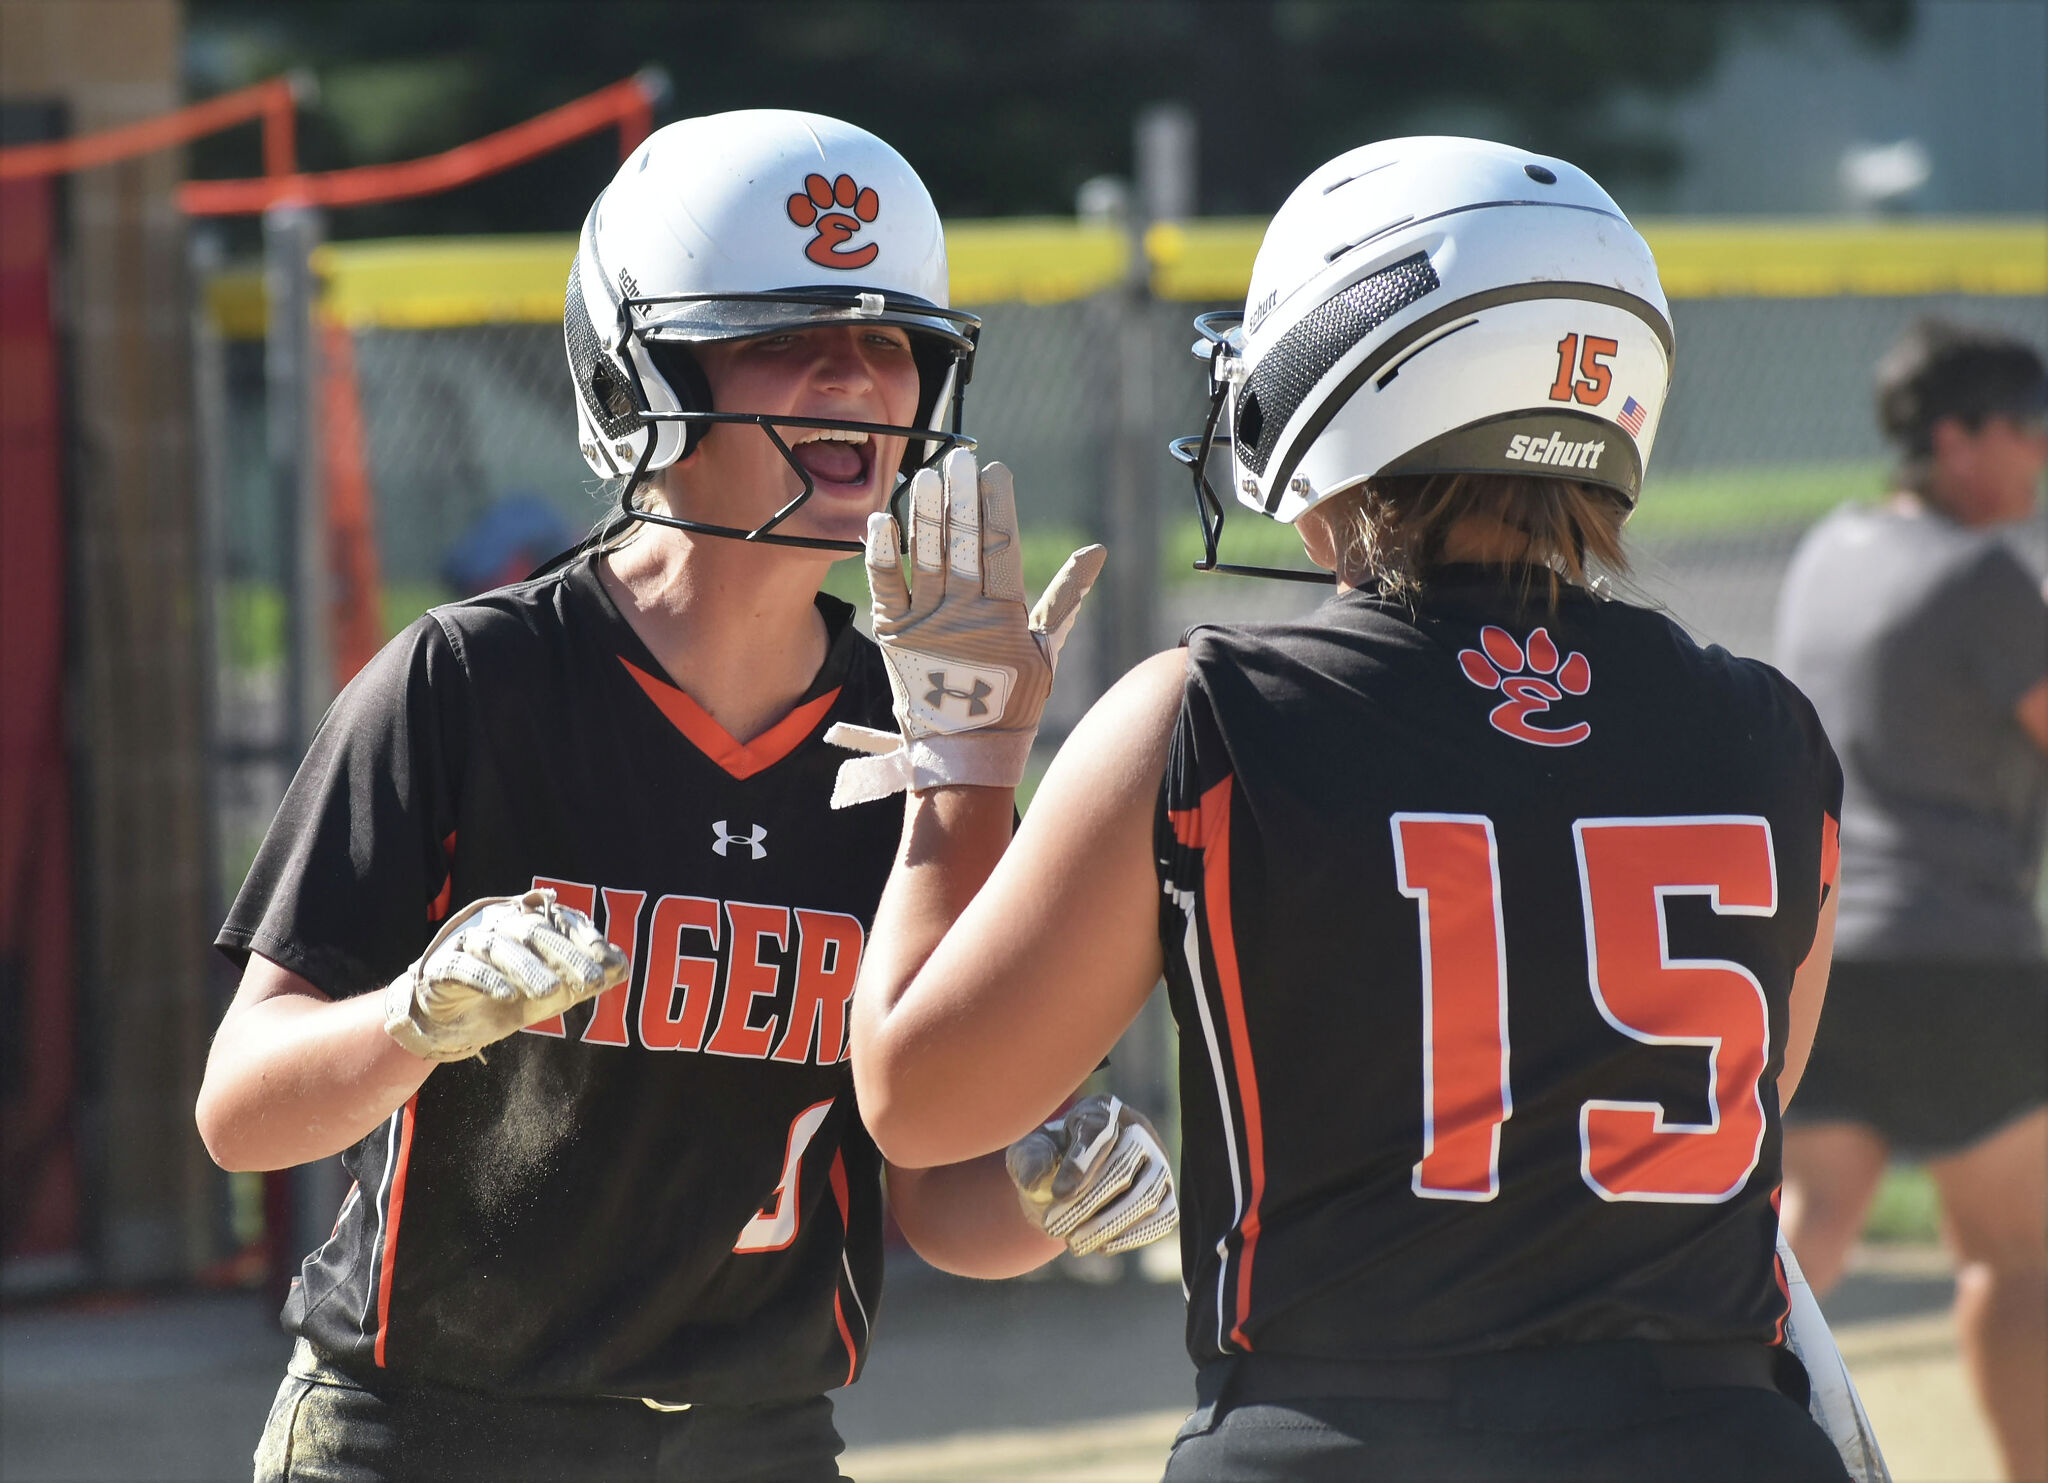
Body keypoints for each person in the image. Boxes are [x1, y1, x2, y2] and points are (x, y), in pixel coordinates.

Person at [845, 138, 1857, 1480]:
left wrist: (963, 760)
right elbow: (1751, 1094)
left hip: (1346, 1437)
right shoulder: (1765, 726)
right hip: (1717, 1437)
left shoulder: (1211, 711)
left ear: (1347, 369)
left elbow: (922, 1096)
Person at [194, 110, 1161, 1483]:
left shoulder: (924, 727)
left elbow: (944, 1194)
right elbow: (241, 1107)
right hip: (426, 1432)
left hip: (756, 1440)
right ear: (639, 372)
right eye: (786, 334)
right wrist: (409, 1019)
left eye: (890, 341)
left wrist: (1051, 1193)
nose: (856, 378)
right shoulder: (471, 682)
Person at [1775, 320, 2048, 1483]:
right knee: (2015, 1257)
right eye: (2024, 431)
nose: (2037, 459)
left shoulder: (1830, 544)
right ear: (1953, 439)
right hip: (1959, 958)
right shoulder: (1981, 572)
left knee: (1804, 1234)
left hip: (1823, 950)